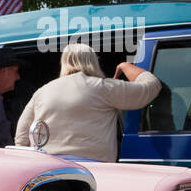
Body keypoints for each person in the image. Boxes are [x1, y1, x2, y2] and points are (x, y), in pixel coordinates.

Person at [14, 42, 161, 162]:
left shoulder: (42, 92)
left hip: (50, 168)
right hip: (94, 170)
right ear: (93, 61)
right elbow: (151, 87)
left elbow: (21, 137)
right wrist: (126, 66)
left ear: (63, 63)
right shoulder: (103, 87)